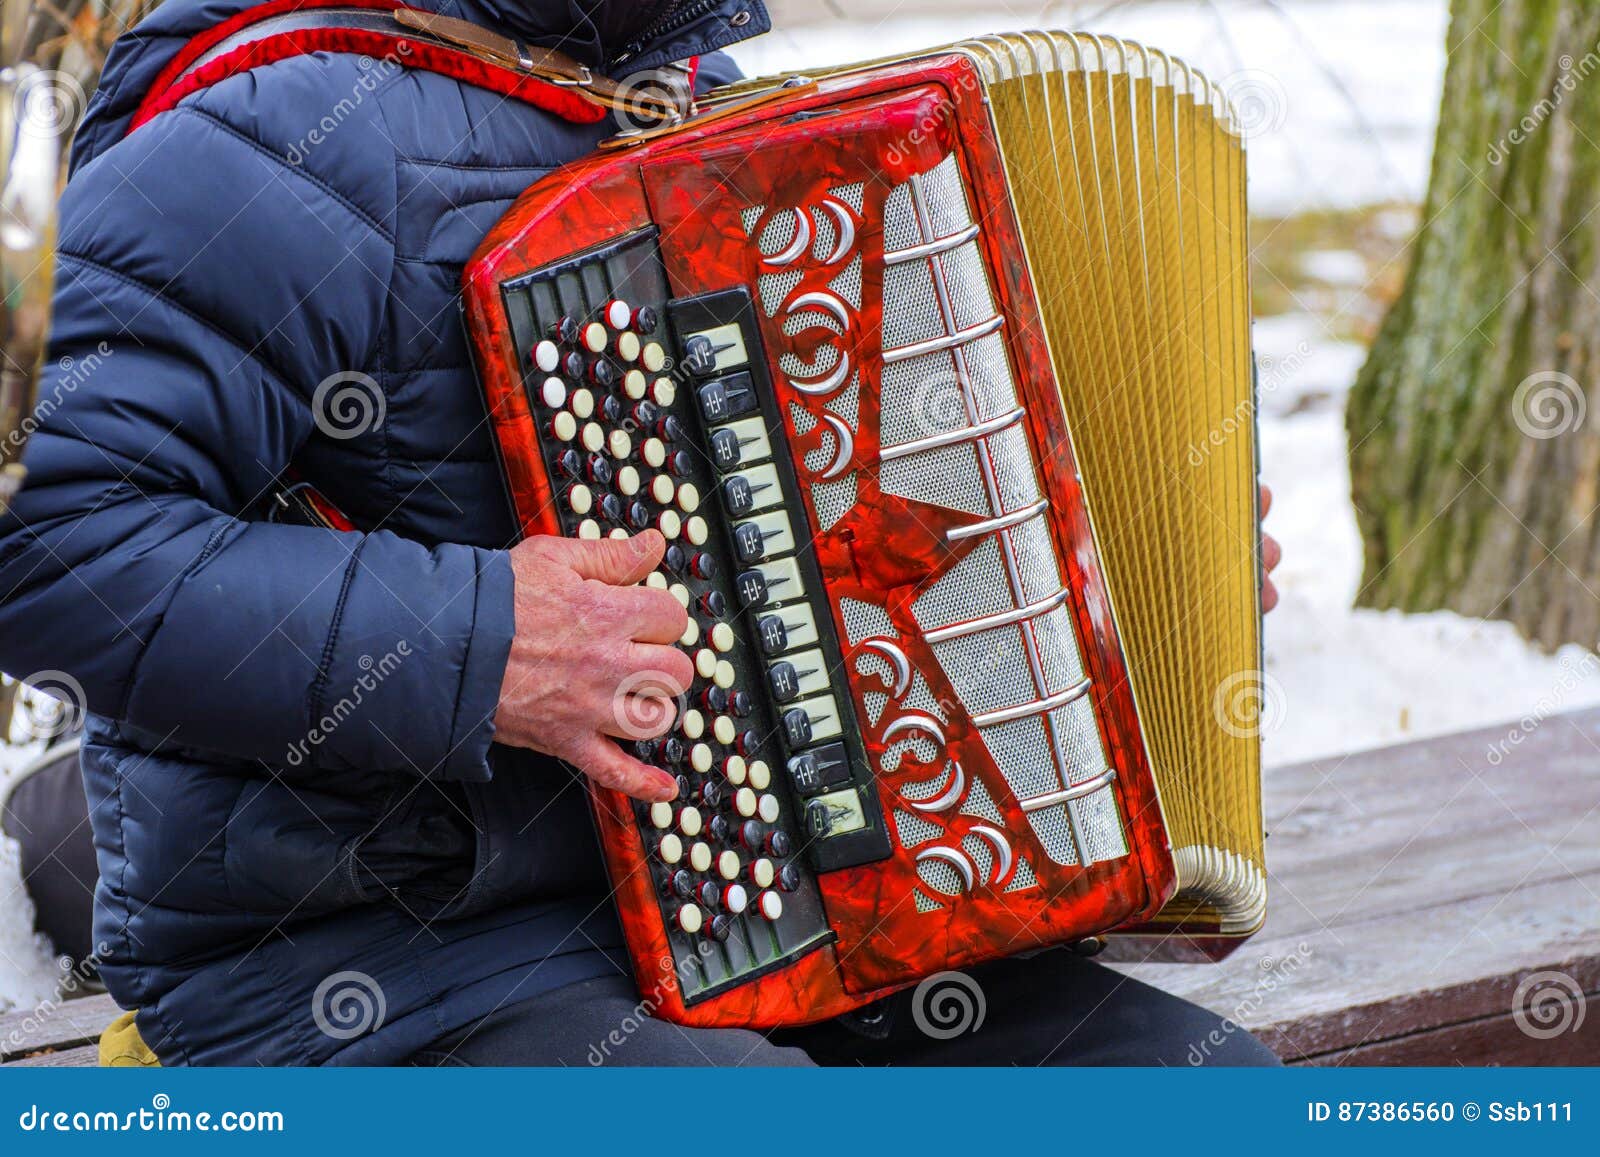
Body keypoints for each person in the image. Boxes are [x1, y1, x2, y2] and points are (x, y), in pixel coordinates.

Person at [0, 0, 1282, 1066]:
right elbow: (44, 537)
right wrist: (486, 639)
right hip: (392, 961)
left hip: (796, 910)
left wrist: (1107, 577)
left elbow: (834, 524)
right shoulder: (263, 138)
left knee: (1209, 1095)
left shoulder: (696, 105)